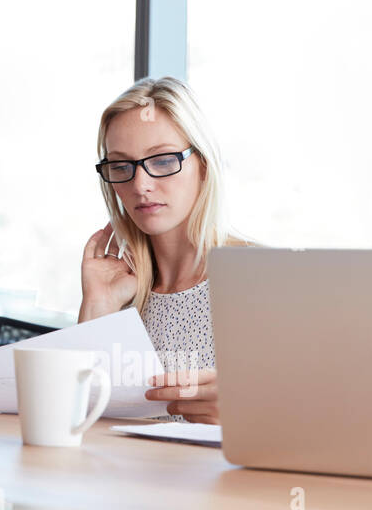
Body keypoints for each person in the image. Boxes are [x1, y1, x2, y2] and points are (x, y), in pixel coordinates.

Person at [77, 76, 248, 424]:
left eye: (164, 160)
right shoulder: (121, 290)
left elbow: (323, 420)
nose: (141, 185)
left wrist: (251, 414)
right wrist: (99, 306)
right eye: (121, 166)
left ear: (202, 164)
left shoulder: (261, 278)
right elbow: (78, 421)